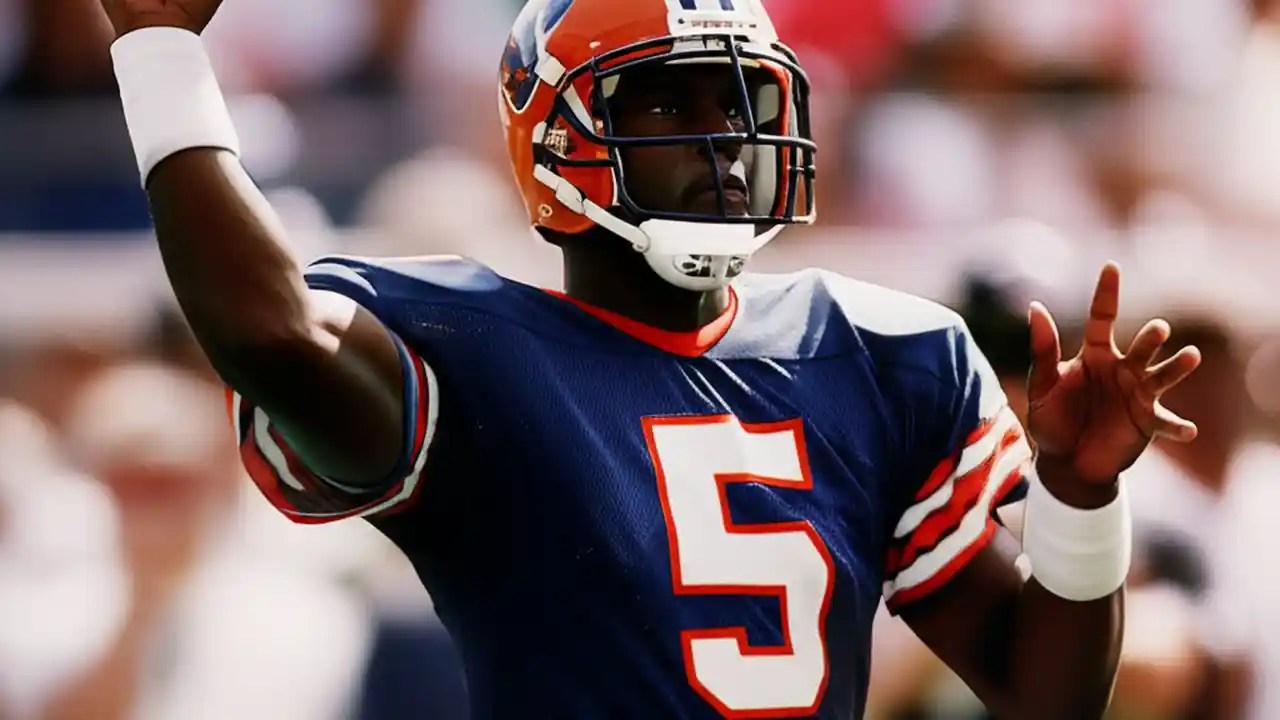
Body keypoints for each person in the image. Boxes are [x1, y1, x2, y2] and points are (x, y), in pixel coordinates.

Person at [97, 0, 1202, 717]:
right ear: (554, 137)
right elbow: (272, 333)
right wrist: (159, 52)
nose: (722, 141)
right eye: (668, 101)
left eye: (739, 101)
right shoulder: (473, 355)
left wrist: (1078, 496)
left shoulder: (883, 356)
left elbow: (1046, 698)